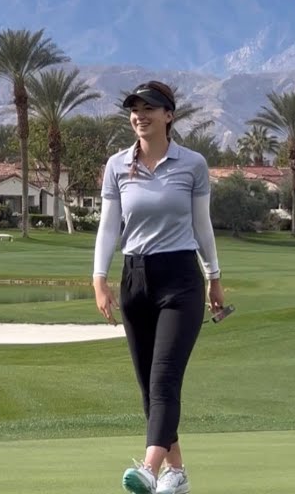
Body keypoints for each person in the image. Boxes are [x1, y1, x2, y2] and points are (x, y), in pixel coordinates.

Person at [93, 81, 225, 494]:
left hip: (180, 280)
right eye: (134, 108)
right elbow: (110, 225)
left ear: (169, 115)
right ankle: (177, 472)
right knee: (148, 383)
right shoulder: (117, 165)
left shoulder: (193, 164)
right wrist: (99, 278)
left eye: (149, 108)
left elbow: (202, 226)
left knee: (165, 377)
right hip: (135, 279)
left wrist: (214, 277)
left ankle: (149, 468)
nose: (140, 115)